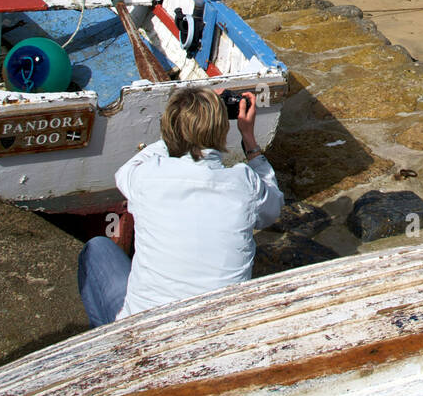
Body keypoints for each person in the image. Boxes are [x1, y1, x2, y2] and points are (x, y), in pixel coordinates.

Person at [78, 87, 283, 326]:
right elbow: (274, 205)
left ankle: (102, 342)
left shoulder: (145, 176)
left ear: (169, 127)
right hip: (217, 332)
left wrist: (180, 128)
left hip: (142, 332)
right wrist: (249, 139)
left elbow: (124, 172)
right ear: (222, 130)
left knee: (96, 249)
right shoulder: (244, 183)